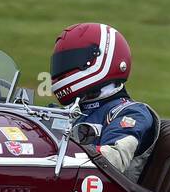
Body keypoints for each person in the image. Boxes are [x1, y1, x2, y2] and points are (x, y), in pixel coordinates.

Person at [49, 22, 159, 182]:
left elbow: (114, 159)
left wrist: (65, 150)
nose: (63, 68)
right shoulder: (73, 111)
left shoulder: (131, 112)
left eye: (72, 60)